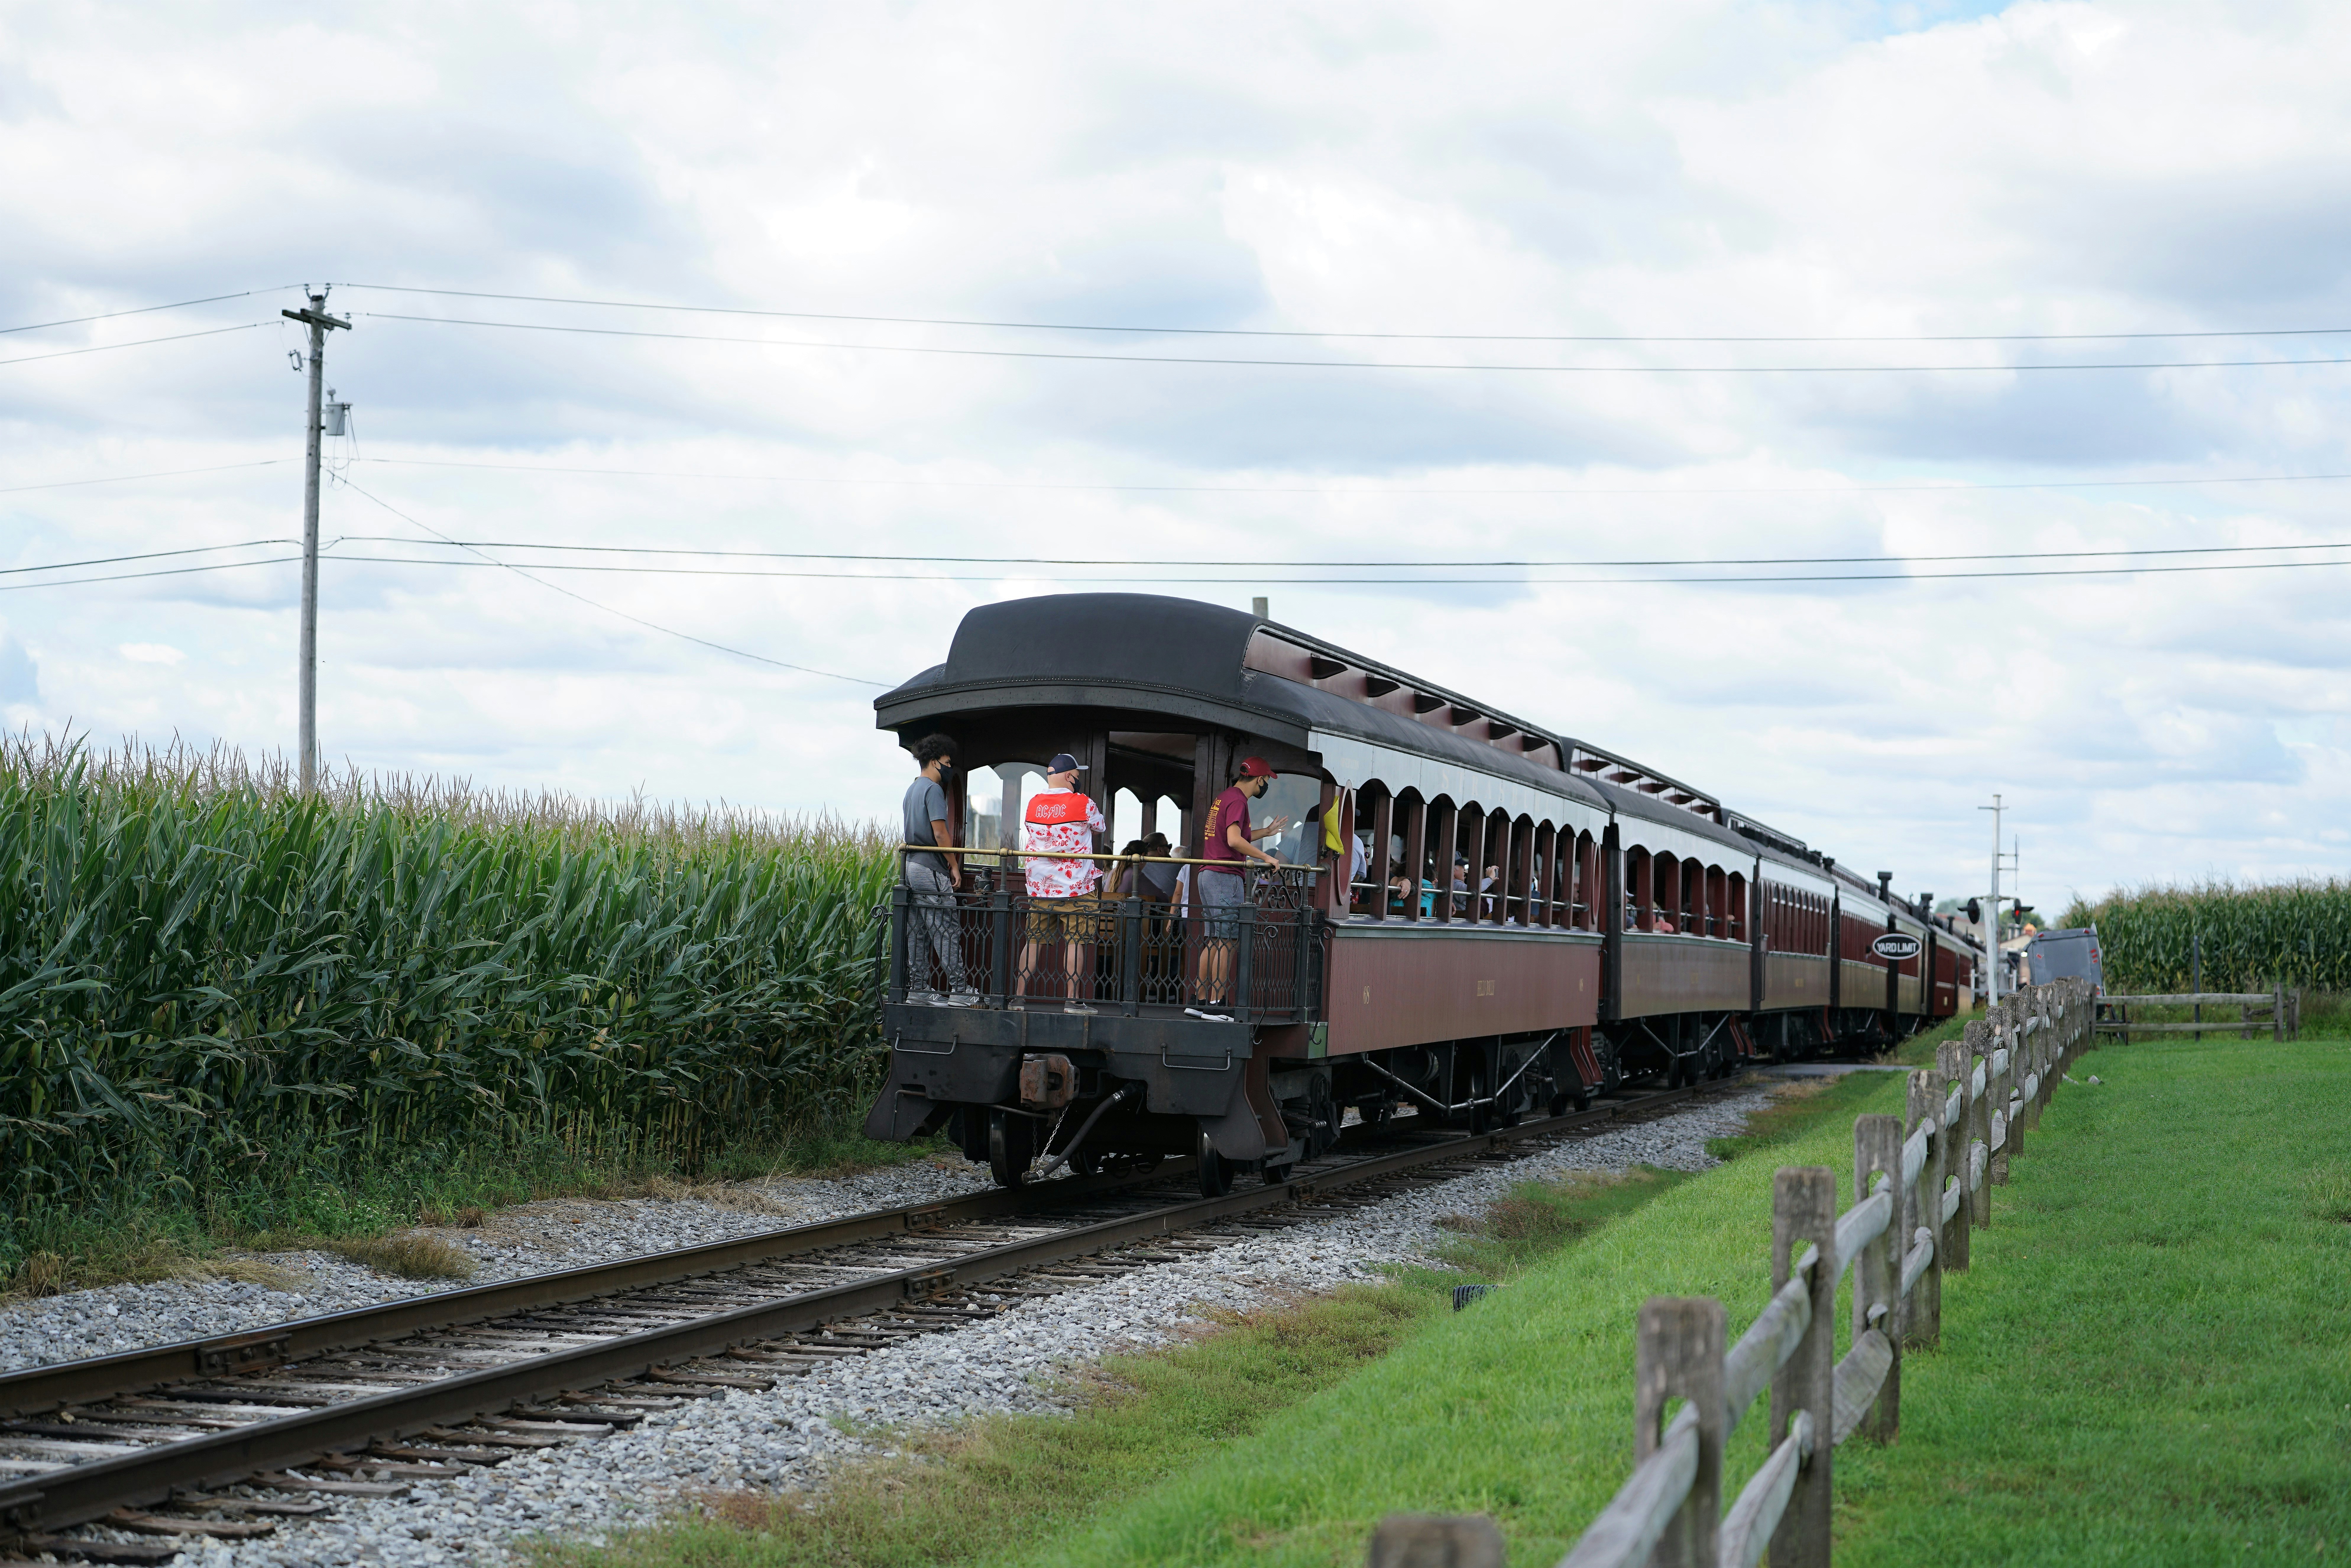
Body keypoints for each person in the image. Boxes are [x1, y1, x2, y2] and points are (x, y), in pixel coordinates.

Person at [1191, 756, 1289, 1021]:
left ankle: (1199, 1001)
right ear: (1259, 779)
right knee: (1227, 940)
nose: (1265, 786)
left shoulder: (1225, 797)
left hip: (1208, 874)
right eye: (1266, 781)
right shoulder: (1239, 801)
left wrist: (1265, 832)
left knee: (1213, 940)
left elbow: (1230, 836)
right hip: (1225, 877)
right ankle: (1217, 1003)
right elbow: (1234, 841)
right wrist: (1266, 857)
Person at [1021, 752, 1107, 1013]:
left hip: (1040, 886)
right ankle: (1072, 1000)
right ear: (1070, 776)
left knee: (1034, 939)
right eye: (1077, 776)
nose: (1078, 781)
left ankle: (1018, 998)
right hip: (1076, 886)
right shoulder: (1083, 802)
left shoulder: (1034, 803)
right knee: (1076, 940)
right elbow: (1100, 826)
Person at [901, 733, 977, 1006]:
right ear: (934, 762)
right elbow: (941, 833)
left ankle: (919, 989)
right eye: (946, 762)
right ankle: (960, 991)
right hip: (931, 866)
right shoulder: (933, 790)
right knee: (946, 927)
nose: (948, 767)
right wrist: (954, 866)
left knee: (918, 929)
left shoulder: (912, 789)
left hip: (910, 867)